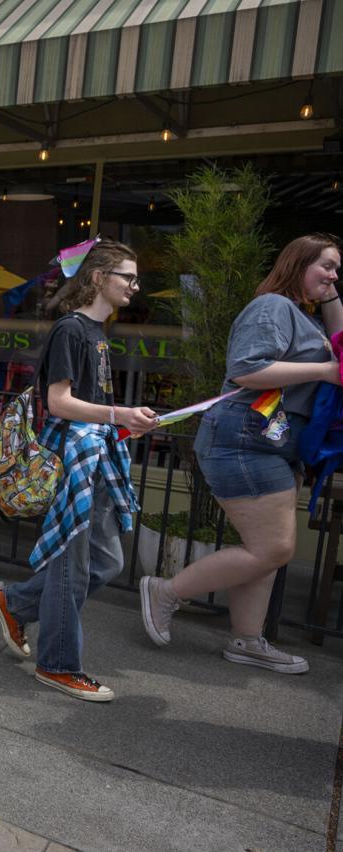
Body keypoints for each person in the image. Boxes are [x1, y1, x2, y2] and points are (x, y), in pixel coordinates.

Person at [141, 234, 342, 674]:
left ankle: (247, 639)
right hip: (245, 439)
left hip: (269, 444)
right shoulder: (273, 306)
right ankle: (166, 591)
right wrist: (328, 370)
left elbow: (340, 337)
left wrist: (332, 296)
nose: (333, 275)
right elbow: (247, 369)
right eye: (326, 265)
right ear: (298, 262)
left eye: (337, 270)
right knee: (274, 548)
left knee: (265, 549)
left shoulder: (301, 314)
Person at [0, 238, 159, 702]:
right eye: (128, 276)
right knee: (74, 566)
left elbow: (89, 406)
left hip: (95, 456)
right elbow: (58, 402)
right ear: (100, 277)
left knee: (105, 561)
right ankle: (59, 664)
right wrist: (119, 415)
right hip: (74, 463)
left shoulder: (96, 334)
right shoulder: (72, 330)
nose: (135, 286)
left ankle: (16, 602)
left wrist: (121, 422)